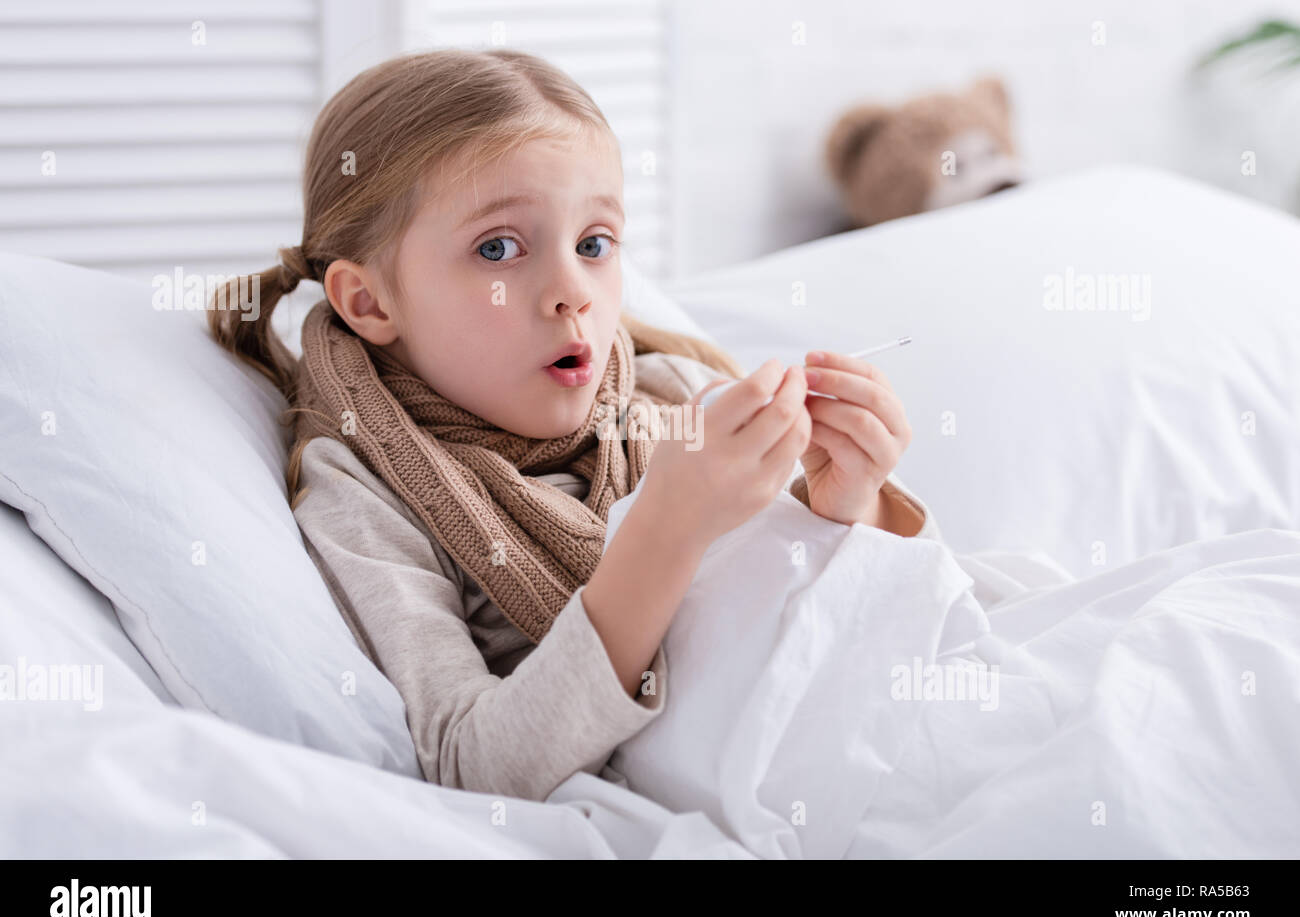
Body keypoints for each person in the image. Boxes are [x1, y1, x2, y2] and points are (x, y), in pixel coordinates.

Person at [206, 48, 939, 803]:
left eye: (594, 244)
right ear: (369, 302)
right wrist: (663, 530)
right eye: (498, 248)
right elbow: (475, 766)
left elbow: (869, 622)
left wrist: (855, 502)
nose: (572, 293)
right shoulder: (363, 493)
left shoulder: (669, 392)